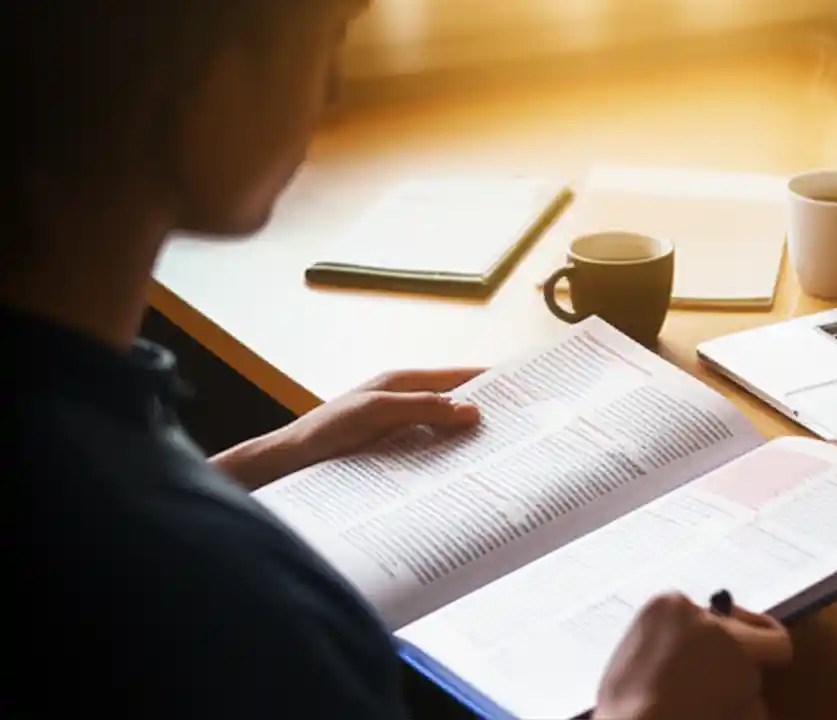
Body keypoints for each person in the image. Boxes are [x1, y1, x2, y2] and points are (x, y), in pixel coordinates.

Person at [5, 2, 792, 719]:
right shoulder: (242, 623)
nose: (333, 90)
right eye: (329, 37)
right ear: (192, 84)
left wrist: (268, 458)